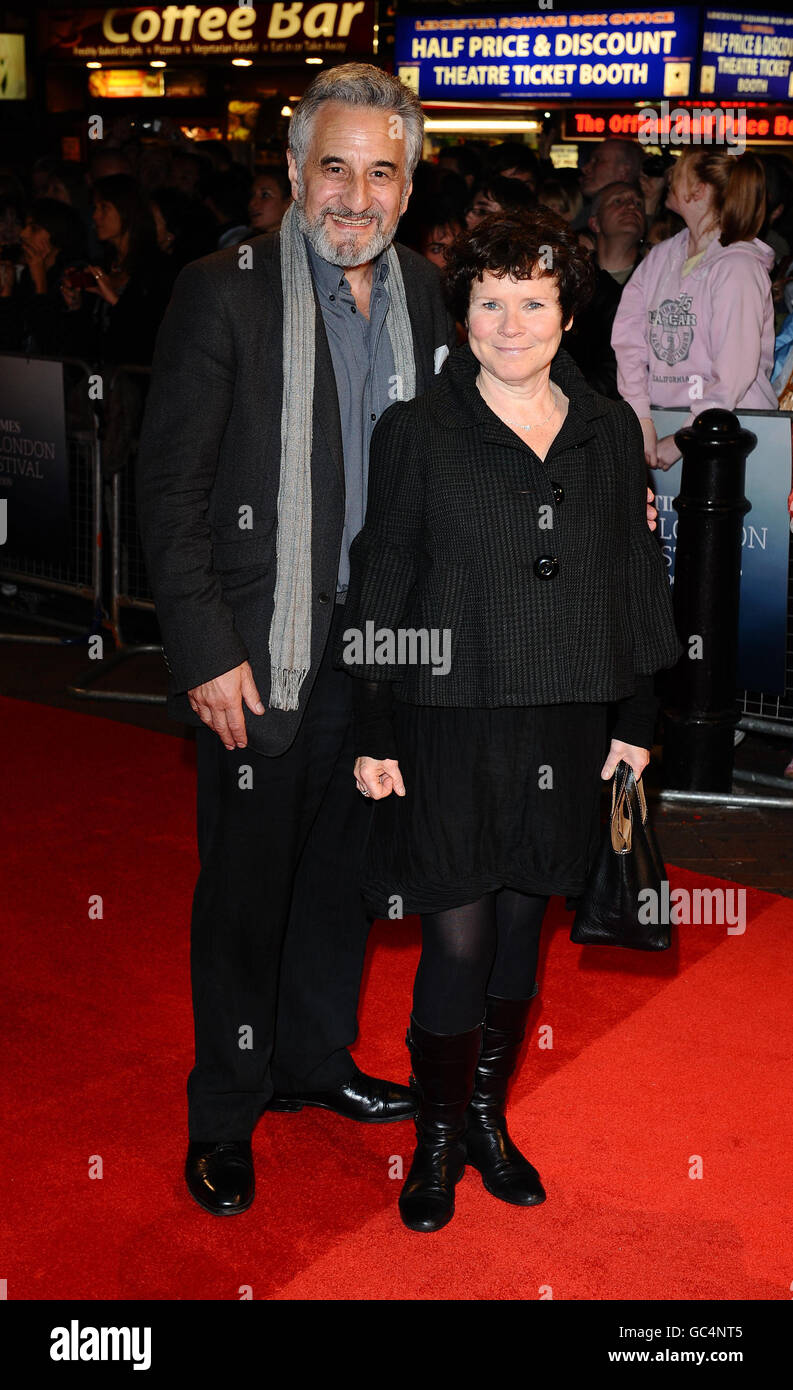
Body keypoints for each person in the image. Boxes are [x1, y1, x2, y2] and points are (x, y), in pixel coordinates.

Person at [135, 63, 456, 1217]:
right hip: (260, 656)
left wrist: (624, 464)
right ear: (290, 172)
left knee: (341, 880)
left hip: (381, 663)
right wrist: (205, 647)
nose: (355, 196)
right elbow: (166, 486)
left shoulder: (427, 291)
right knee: (244, 895)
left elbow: (493, 421)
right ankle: (225, 1109)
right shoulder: (221, 292)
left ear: (408, 186)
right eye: (335, 167)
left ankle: (313, 1064)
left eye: (380, 172)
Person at [338, 209, 681, 1233]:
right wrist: (374, 727)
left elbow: (633, 573)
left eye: (533, 300)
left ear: (568, 312)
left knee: (522, 933)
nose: (510, 320)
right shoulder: (418, 429)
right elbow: (381, 577)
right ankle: (435, 1137)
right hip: (449, 716)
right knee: (456, 940)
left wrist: (637, 714)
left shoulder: (608, 427)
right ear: (464, 315)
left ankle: (487, 1118)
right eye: (489, 300)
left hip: (568, 725)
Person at [612, 148, 776, 471]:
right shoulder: (663, 256)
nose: (670, 174)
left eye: (679, 168)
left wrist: (685, 436)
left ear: (699, 190)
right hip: (666, 428)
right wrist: (640, 417)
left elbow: (734, 374)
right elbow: (628, 338)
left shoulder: (738, 266)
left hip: (733, 438)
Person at [60, 173, 171, 366]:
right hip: (101, 379)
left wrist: (114, 300)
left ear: (127, 211)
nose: (95, 216)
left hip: (138, 382)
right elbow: (88, 341)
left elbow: (153, 335)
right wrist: (76, 307)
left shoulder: (157, 269)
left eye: (104, 208)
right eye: (95, 208)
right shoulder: (101, 266)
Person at [566, 180, 645, 398]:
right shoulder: (570, 280)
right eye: (618, 201)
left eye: (639, 204)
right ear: (595, 223)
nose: (631, 207)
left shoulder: (655, 279)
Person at [0, 197, 88, 355]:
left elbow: (52, 341)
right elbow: (11, 338)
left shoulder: (78, 273)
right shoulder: (29, 273)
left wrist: (41, 285)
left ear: (56, 235)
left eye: (34, 228)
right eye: (25, 226)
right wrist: (7, 293)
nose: (24, 234)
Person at [574, 138, 644, 229]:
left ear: (623, 172)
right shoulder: (583, 214)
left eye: (597, 160)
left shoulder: (632, 220)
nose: (585, 168)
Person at [248, 167, 292, 234]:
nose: (252, 203)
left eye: (265, 195)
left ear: (288, 203)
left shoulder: (300, 242)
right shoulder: (248, 242)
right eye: (252, 195)